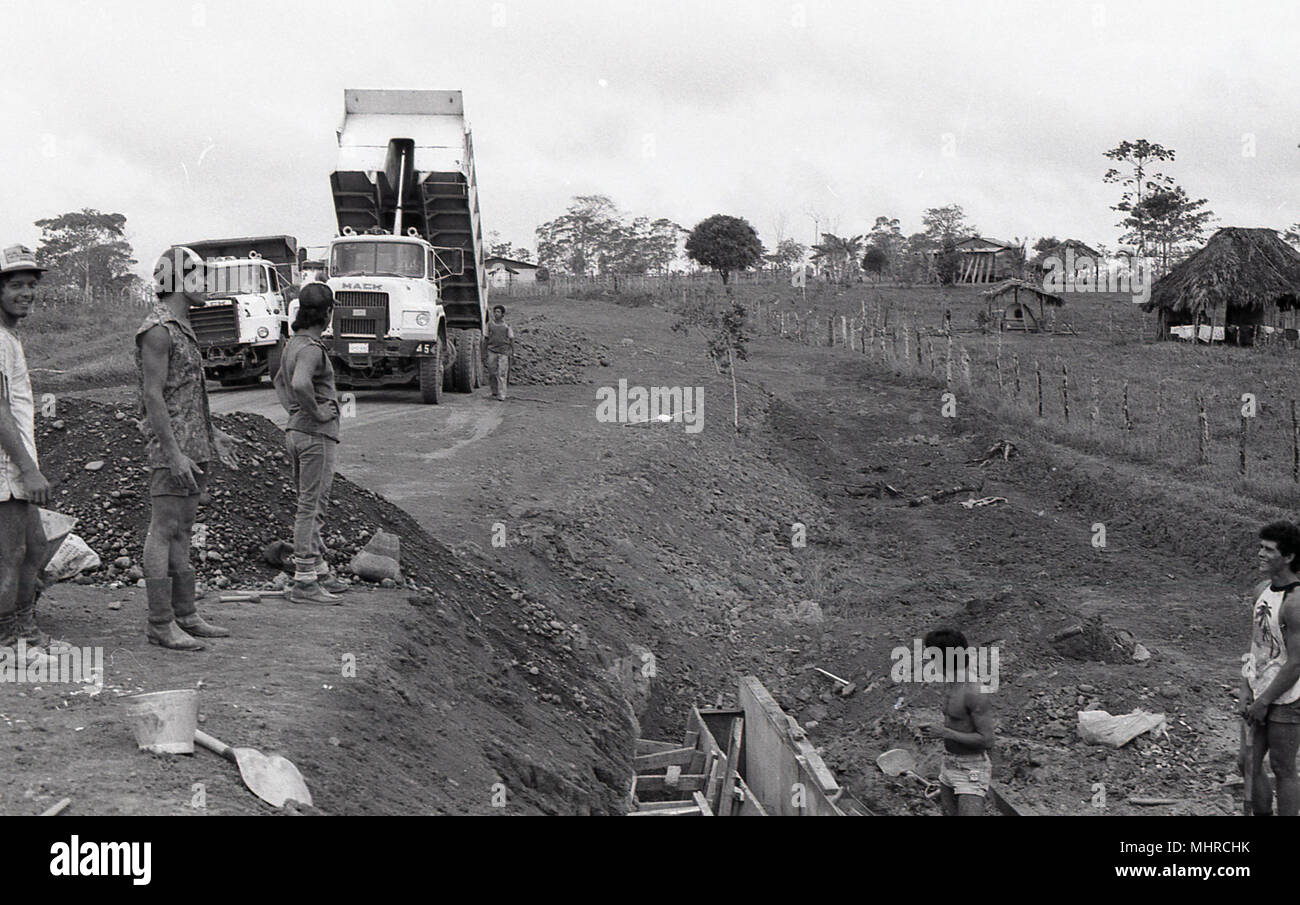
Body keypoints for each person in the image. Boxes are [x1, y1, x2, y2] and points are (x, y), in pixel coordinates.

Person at [136, 246, 237, 650]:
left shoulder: (183, 327)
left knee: (183, 531)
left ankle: (186, 614)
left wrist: (212, 434)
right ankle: (160, 623)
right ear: (179, 280)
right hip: (170, 449)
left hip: (194, 447)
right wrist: (174, 452)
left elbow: (189, 394)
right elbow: (154, 396)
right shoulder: (157, 329)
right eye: (200, 276)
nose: (207, 285)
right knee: (163, 530)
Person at [0, 244, 58, 661]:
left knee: (34, 547)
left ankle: (24, 631)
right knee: (11, 553)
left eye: (31, 285)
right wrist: (26, 468)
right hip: (6, 465)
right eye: (15, 285)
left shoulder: (9, 337)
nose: (26, 293)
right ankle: (8, 644)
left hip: (16, 464)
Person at [273, 282, 347, 604]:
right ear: (327, 313)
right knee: (311, 506)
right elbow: (301, 382)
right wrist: (315, 411)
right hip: (316, 436)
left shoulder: (293, 344)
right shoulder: (313, 349)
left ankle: (317, 568)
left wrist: (294, 410)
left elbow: (279, 380)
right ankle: (304, 580)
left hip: (297, 432)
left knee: (310, 503)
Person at [1242, 520, 1300, 815]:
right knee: (1247, 763)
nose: (1261, 554)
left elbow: (1296, 663)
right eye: (1260, 547)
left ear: (1288, 557)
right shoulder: (1260, 590)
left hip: (1289, 697)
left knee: (1282, 767)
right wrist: (1247, 689)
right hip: (1260, 690)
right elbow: (1255, 645)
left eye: (1269, 549)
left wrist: (1265, 701)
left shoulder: (1295, 603)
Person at [919, 627, 995, 815]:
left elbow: (987, 740)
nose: (930, 660)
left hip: (971, 769)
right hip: (949, 764)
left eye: (933, 655)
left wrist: (945, 733)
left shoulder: (974, 691)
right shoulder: (951, 683)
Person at [484, 304, 514, 401]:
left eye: (498, 312)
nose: (496, 314)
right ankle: (494, 392)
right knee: (492, 373)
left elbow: (511, 339)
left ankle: (502, 394)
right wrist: (483, 352)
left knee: (502, 373)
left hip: (503, 352)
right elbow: (486, 338)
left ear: (502, 314)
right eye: (495, 312)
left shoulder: (507, 326)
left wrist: (512, 351)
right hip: (492, 351)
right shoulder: (489, 325)